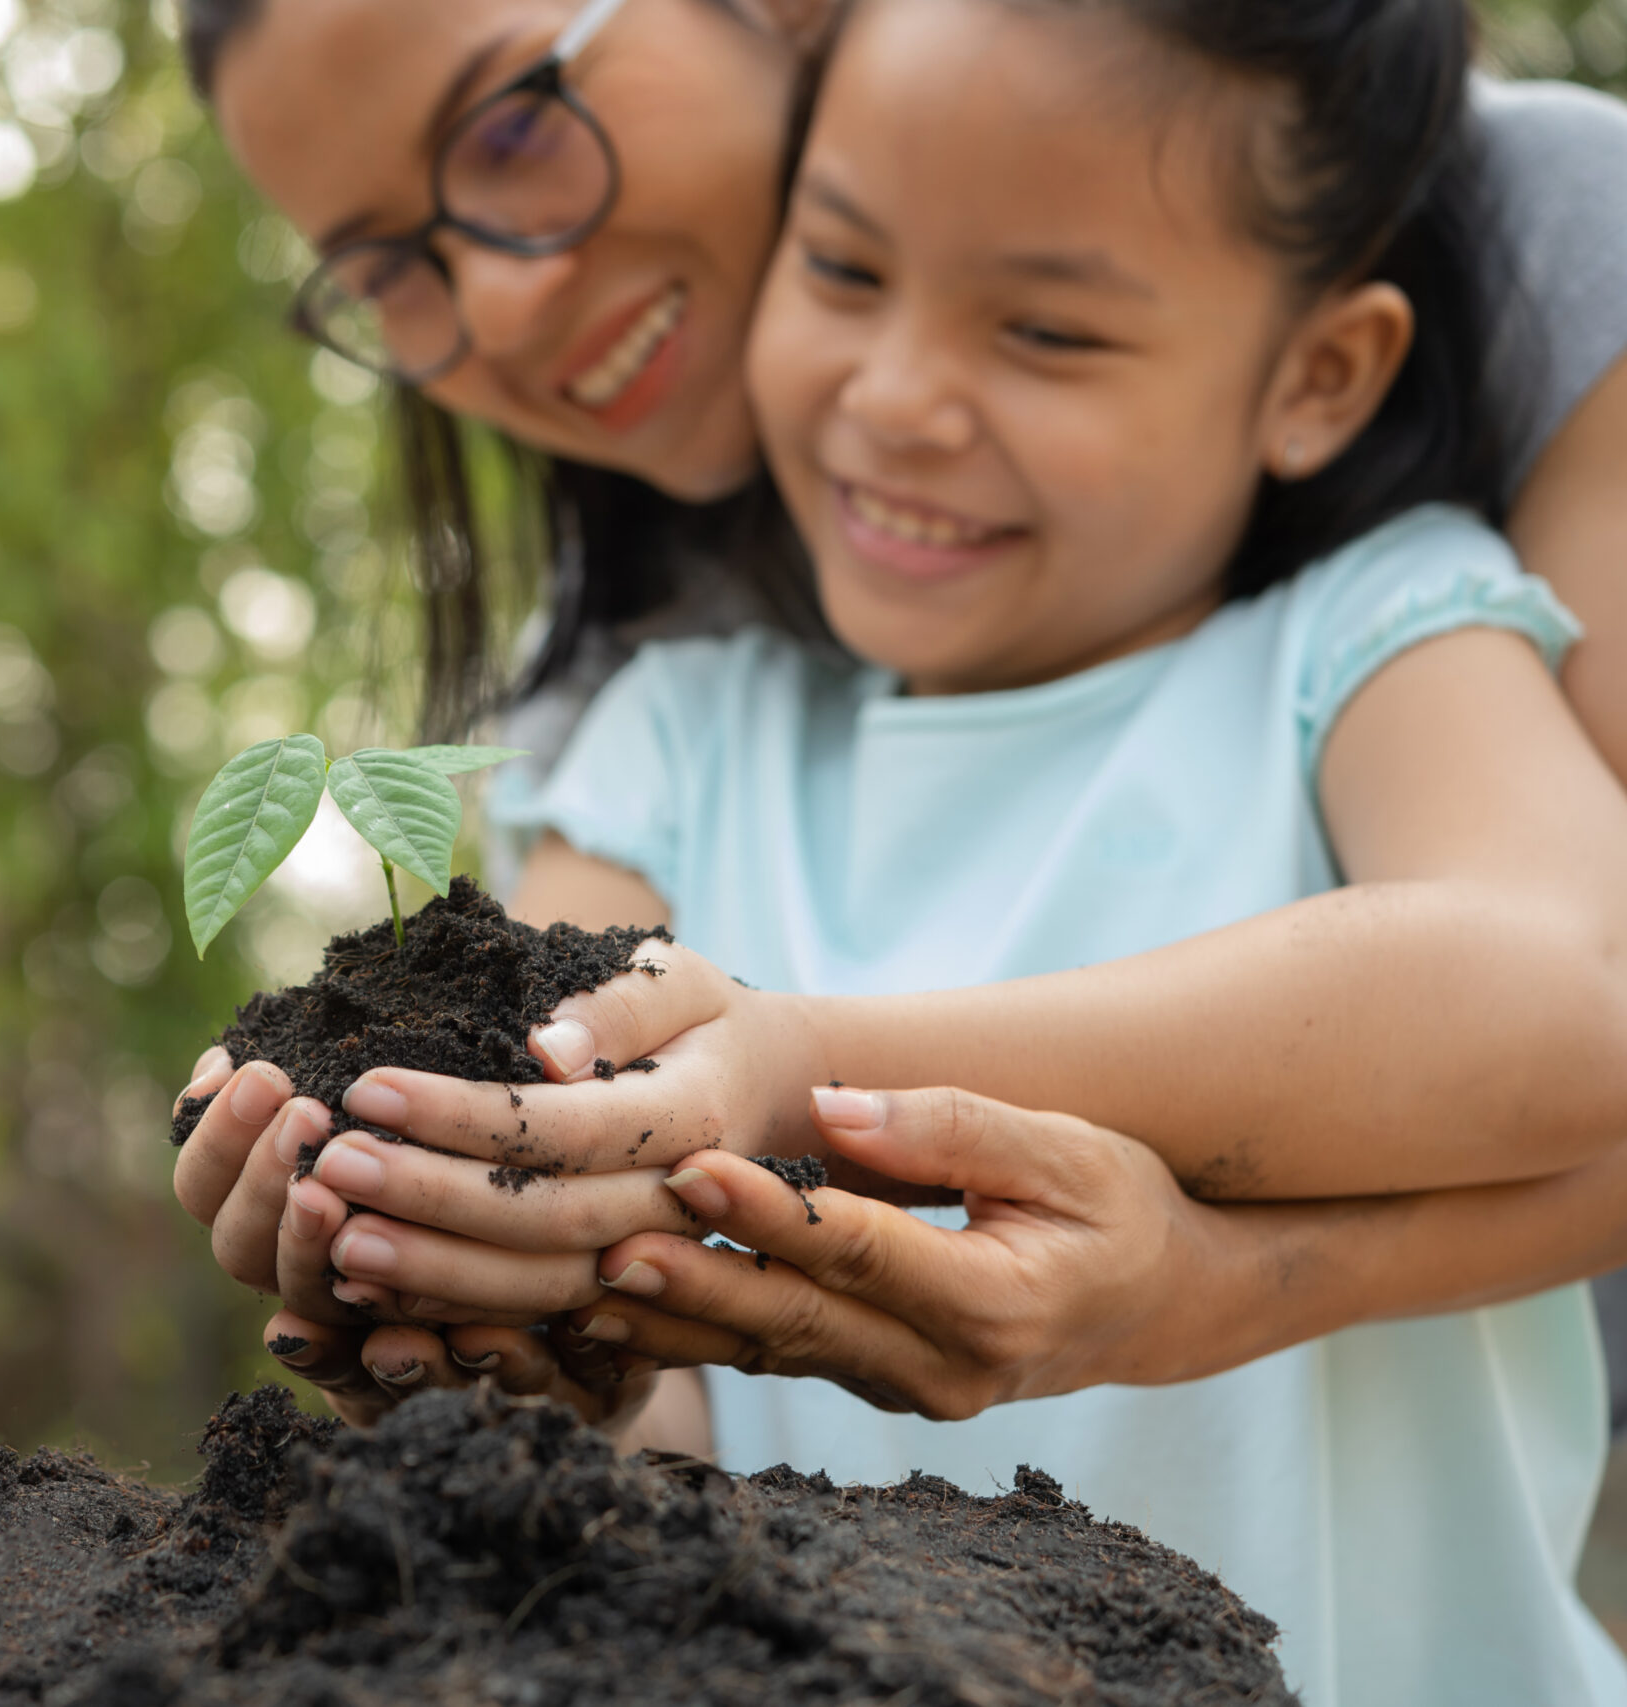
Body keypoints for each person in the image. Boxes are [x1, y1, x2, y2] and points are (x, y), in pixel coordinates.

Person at [166, 0, 1627, 1696]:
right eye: (846, 275)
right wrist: (495, 1325)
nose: (900, 399)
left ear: (1318, 375)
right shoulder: (658, 741)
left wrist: (807, 1068)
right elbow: (602, 1231)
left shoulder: (1387, 634)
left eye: (1049, 332)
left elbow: (1582, 981)